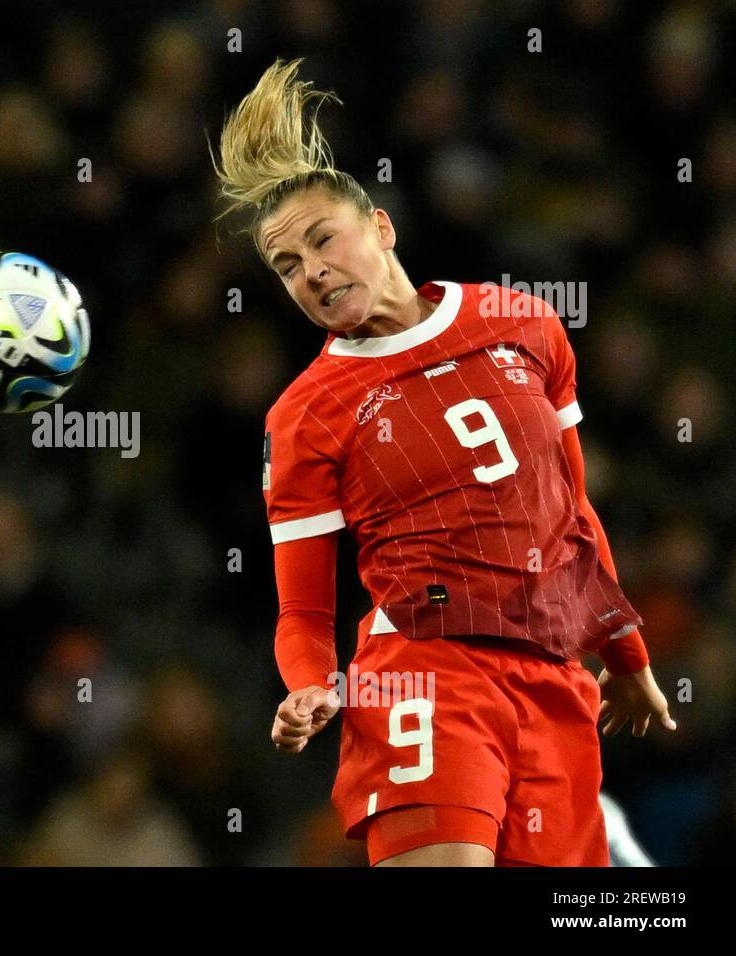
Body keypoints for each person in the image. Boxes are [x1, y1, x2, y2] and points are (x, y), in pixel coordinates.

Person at [214, 61, 675, 867]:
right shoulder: (304, 414)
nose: (311, 271)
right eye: (287, 267)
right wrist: (309, 686)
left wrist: (625, 651)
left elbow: (572, 513)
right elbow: (304, 613)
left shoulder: (522, 322)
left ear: (382, 227)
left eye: (323, 240)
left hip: (553, 675)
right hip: (423, 673)